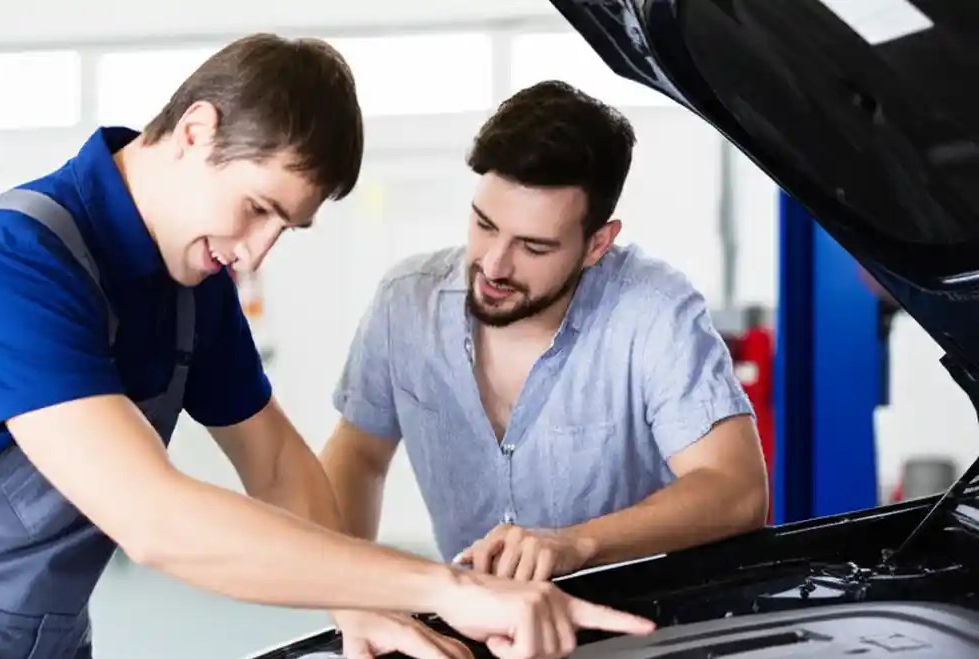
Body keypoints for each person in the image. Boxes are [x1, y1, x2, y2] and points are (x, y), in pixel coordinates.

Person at [0, 38, 654, 659]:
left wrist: (353, 598)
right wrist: (441, 586)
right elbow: (155, 519)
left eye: (288, 228)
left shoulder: (190, 286)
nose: (254, 253)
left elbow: (277, 466)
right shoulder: (6, 262)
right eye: (258, 209)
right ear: (197, 130)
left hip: (48, 658)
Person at [322, 80, 769, 582]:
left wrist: (578, 543)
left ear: (597, 243)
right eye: (484, 225)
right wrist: (353, 595)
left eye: (533, 248)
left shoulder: (654, 312)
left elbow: (737, 489)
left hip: (638, 630)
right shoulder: (405, 304)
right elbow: (360, 454)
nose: (492, 265)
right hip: (480, 630)